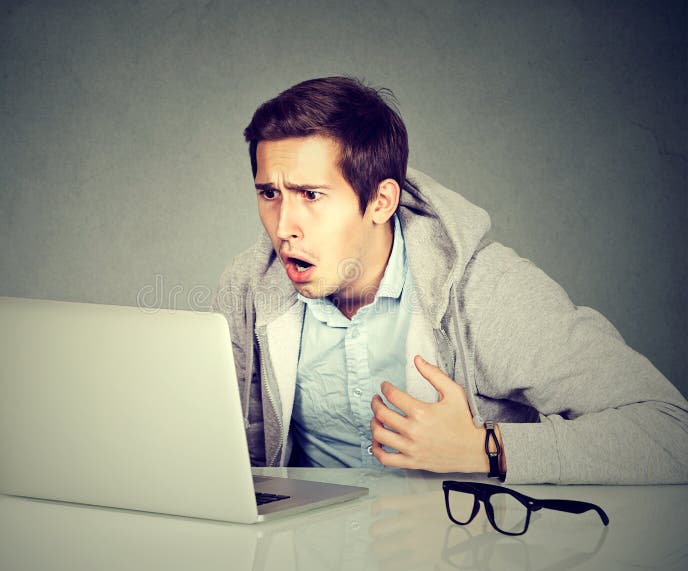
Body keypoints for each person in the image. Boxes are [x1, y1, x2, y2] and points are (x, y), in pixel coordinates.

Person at [213, 76, 688, 484]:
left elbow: (671, 430)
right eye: (269, 193)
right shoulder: (250, 286)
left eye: (311, 195)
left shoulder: (486, 291)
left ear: (381, 202)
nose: (282, 226)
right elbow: (222, 450)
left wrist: (487, 448)